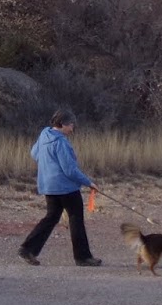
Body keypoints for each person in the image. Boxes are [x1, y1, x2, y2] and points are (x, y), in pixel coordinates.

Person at [18, 108, 102, 267]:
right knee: (76, 218)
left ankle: (27, 249)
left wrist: (49, 165)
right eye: (71, 125)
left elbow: (34, 153)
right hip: (66, 188)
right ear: (62, 124)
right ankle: (82, 257)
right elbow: (70, 170)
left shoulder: (44, 134)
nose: (72, 128)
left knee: (51, 217)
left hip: (49, 186)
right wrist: (88, 182)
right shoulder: (61, 142)